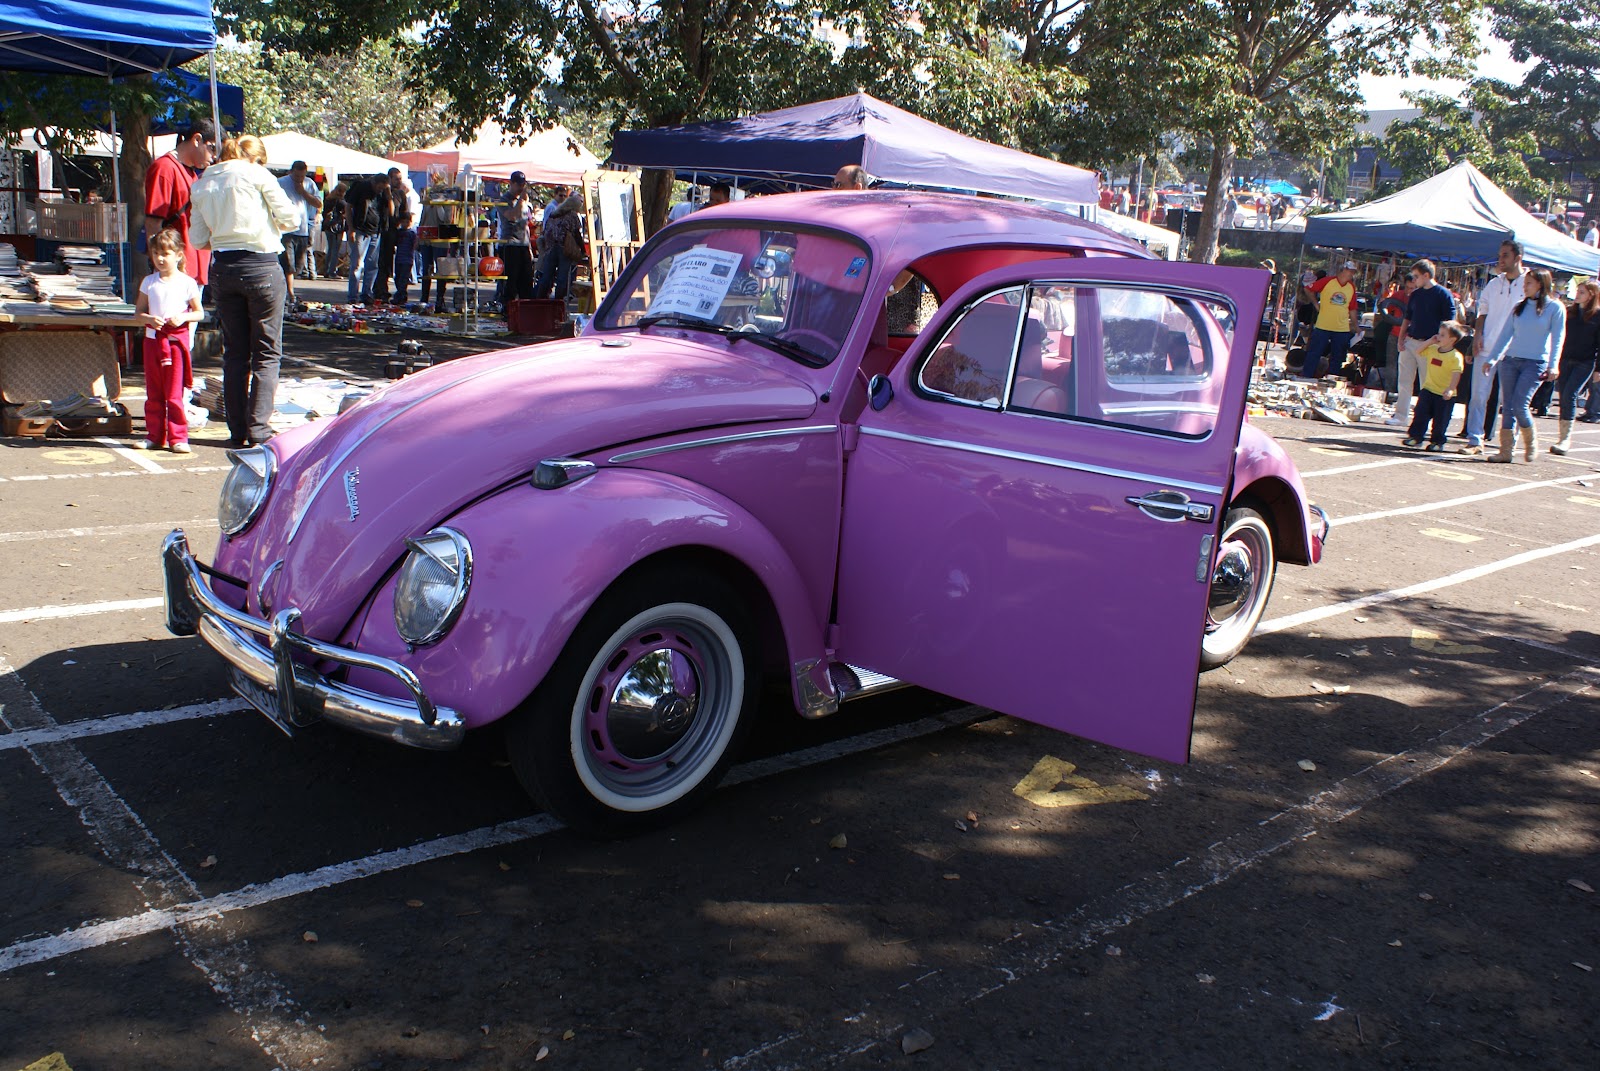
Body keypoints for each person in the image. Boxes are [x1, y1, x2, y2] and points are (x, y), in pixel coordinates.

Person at [188, 134, 298, 449]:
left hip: (224, 267)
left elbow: (197, 240)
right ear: (254, 157)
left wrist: (223, 235)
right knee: (266, 352)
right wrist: (270, 227)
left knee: (235, 353)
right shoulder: (257, 175)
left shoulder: (203, 181)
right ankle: (259, 430)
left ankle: (237, 430)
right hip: (261, 265)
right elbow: (290, 218)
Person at [1479, 268, 1565, 463]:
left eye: (1528, 283)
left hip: (1535, 363)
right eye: (1524, 283)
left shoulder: (1555, 308)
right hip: (1510, 361)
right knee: (1507, 406)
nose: (1524, 287)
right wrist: (1492, 359)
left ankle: (1531, 441)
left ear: (1541, 285)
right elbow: (1505, 335)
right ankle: (1505, 451)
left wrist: (1553, 365)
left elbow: (1558, 338)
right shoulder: (1519, 307)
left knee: (1520, 404)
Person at [134, 228, 203, 454]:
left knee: (174, 394)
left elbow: (199, 312)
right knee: (154, 393)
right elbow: (139, 313)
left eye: (166, 253)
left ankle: (178, 437)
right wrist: (149, 319)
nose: (161, 259)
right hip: (152, 342)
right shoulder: (149, 282)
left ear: (179, 254)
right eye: (156, 254)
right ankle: (154, 435)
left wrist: (182, 316)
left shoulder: (187, 283)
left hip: (175, 344)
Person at [1462, 240, 1525, 452]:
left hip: (1514, 352)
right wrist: (1477, 335)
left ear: (1518, 258)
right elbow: (1483, 311)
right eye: (1500, 255)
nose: (1501, 259)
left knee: (1510, 401)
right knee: (1478, 396)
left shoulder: (1529, 283)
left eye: (1505, 255)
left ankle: (1508, 444)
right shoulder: (1493, 284)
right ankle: (1474, 438)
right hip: (1487, 347)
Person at [144, 116, 215, 288]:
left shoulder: (192, 173)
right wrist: (161, 267)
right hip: (175, 272)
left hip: (194, 269)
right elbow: (153, 222)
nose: (213, 157)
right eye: (212, 148)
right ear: (197, 140)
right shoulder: (165, 168)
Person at [1387, 259, 1457, 426]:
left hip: (1431, 345)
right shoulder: (1416, 294)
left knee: (1428, 384)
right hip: (1411, 341)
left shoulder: (1443, 294)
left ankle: (1424, 420)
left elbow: (1450, 322)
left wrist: (1442, 344)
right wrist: (1401, 338)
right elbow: (1407, 317)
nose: (1414, 280)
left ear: (1426, 275)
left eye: (1417, 276)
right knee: (1404, 379)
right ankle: (1401, 415)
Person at [1549, 280, 1600, 454]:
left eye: (1582, 292)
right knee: (1563, 394)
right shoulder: (1569, 312)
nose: (1577, 295)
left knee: (1570, 394)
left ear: (1592, 295)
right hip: (1565, 359)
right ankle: (1562, 434)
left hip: (1585, 362)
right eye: (1577, 291)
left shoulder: (1597, 315)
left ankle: (1565, 439)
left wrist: (1598, 370)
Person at [1400, 322, 1466, 451]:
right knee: (1420, 414)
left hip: (1444, 395)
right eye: (1438, 333)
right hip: (1428, 389)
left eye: (1442, 335)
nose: (1438, 337)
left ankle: (1437, 442)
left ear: (1452, 340)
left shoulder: (1456, 357)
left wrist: (1451, 389)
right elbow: (1418, 351)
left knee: (1440, 420)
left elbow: (1456, 374)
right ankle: (1416, 437)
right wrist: (1430, 341)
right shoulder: (1432, 349)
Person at [1299, 261, 1358, 378]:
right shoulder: (1328, 281)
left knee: (1337, 356)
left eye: (1353, 272)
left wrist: (1356, 326)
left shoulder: (1351, 286)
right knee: (1314, 353)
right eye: (1349, 270)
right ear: (1343, 270)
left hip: (1341, 328)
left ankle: (1332, 380)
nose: (1351, 274)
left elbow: (1352, 308)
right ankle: (1306, 376)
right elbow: (1308, 288)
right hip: (1323, 325)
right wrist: (1315, 304)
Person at [277, 160, 321, 305]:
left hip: (302, 229)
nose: (298, 180)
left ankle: (288, 290)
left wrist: (303, 192)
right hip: (285, 230)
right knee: (288, 264)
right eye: (296, 177)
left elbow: (318, 204)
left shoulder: (309, 183)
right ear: (291, 172)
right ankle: (289, 293)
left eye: (301, 177)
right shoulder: (280, 182)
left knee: (298, 266)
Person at [532, 191, 584, 302]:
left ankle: (539, 298)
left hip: (550, 246)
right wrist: (583, 249)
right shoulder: (572, 215)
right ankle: (558, 301)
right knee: (562, 276)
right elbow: (577, 233)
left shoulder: (554, 214)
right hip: (564, 247)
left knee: (547, 274)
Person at [343, 175, 384, 304]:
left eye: (383, 188)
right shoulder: (361, 188)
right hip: (361, 230)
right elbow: (348, 207)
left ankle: (367, 293)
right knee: (357, 264)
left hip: (376, 232)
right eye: (379, 187)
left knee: (372, 265)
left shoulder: (383, 194)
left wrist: (387, 193)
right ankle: (353, 296)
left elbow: (390, 211)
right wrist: (351, 229)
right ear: (374, 183)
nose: (380, 190)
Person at [498, 170, 537, 303]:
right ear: (511, 183)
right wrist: (521, 201)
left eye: (523, 185)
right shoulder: (504, 200)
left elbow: (526, 224)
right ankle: (507, 309)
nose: (521, 188)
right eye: (518, 185)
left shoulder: (525, 202)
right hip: (510, 244)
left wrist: (530, 248)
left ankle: (524, 311)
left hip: (524, 244)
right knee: (511, 283)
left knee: (526, 281)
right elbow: (511, 216)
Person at [321, 181, 347, 278]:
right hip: (336, 227)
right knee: (335, 250)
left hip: (328, 226)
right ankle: (332, 271)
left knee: (330, 249)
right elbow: (347, 211)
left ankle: (326, 270)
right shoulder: (340, 202)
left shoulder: (328, 199)